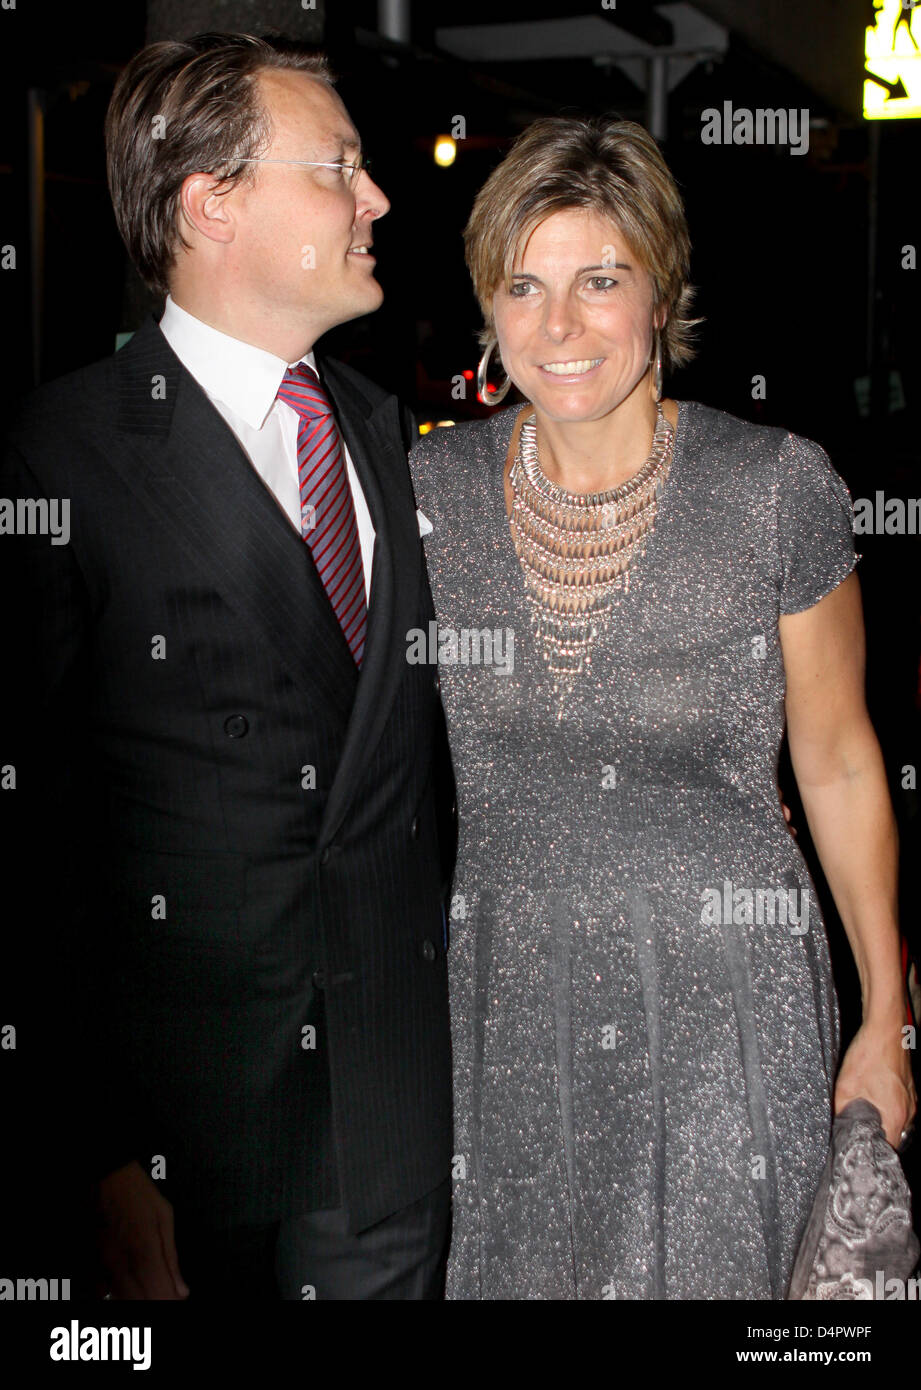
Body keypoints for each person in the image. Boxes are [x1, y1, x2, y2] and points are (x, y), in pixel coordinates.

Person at [408, 114, 916, 1299]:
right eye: (523, 286)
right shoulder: (427, 492)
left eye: (599, 279)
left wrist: (888, 1009)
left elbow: (839, 763)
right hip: (509, 1018)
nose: (559, 326)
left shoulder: (773, 485)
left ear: (661, 288)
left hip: (728, 1018)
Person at [1, 32, 456, 1301]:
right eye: (341, 169)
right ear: (212, 204)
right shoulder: (60, 458)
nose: (377, 200)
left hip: (390, 1123)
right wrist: (90, 1151)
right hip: (187, 1148)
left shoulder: (385, 435)